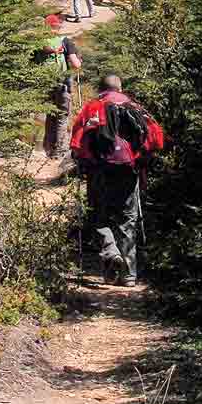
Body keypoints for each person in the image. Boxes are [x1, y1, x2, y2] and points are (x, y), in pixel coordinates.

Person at [70, 74, 164, 286]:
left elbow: (77, 141)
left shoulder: (93, 107)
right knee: (127, 220)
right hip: (129, 171)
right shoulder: (136, 108)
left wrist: (83, 163)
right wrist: (142, 162)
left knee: (98, 215)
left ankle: (111, 254)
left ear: (100, 89)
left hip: (99, 171)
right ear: (120, 88)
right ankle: (129, 275)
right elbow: (155, 140)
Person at [38, 15, 82, 159]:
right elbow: (75, 64)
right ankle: (59, 152)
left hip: (45, 83)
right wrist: (79, 62)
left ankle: (48, 149)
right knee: (62, 117)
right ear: (57, 26)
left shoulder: (39, 43)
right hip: (62, 83)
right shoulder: (65, 41)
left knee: (50, 115)